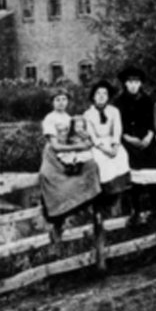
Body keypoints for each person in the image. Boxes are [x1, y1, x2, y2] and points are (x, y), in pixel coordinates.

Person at [39, 92, 100, 242]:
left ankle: (90, 209)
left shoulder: (70, 118)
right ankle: (57, 223)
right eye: (57, 99)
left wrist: (85, 141)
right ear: (52, 102)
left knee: (91, 167)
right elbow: (55, 145)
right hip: (53, 156)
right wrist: (79, 146)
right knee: (48, 178)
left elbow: (79, 135)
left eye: (64, 99)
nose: (61, 102)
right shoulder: (50, 118)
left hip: (71, 152)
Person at [117, 65, 156, 225]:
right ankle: (135, 211)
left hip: (147, 139)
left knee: (153, 168)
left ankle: (154, 208)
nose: (133, 85)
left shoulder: (147, 100)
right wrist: (129, 139)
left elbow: (152, 121)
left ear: (141, 84)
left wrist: (149, 136)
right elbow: (118, 125)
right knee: (134, 172)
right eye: (130, 82)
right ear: (125, 83)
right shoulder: (119, 102)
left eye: (136, 82)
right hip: (129, 140)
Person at [82, 79, 131, 202]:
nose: (101, 96)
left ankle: (121, 192)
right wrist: (104, 149)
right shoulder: (87, 114)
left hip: (112, 141)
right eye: (98, 93)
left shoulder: (114, 111)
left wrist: (114, 146)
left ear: (108, 96)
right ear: (93, 97)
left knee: (121, 155)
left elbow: (117, 129)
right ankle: (107, 193)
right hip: (98, 144)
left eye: (105, 93)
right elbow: (91, 135)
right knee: (101, 160)